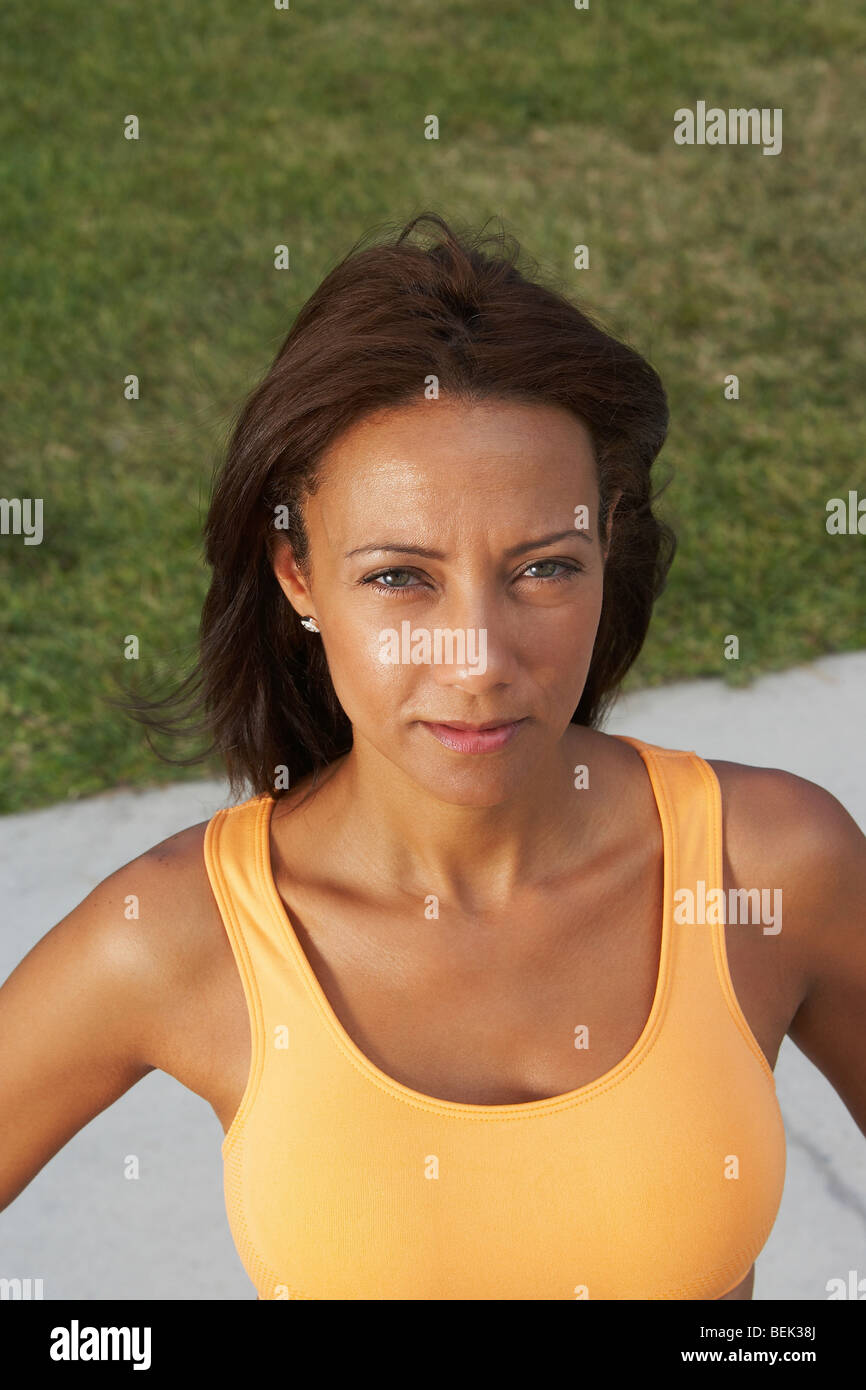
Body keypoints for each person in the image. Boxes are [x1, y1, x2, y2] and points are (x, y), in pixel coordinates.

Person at [1, 213, 864, 1301]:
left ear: (607, 549)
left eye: (543, 569)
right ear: (298, 577)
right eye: (400, 578)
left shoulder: (774, 868)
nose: (478, 660)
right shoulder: (174, 938)